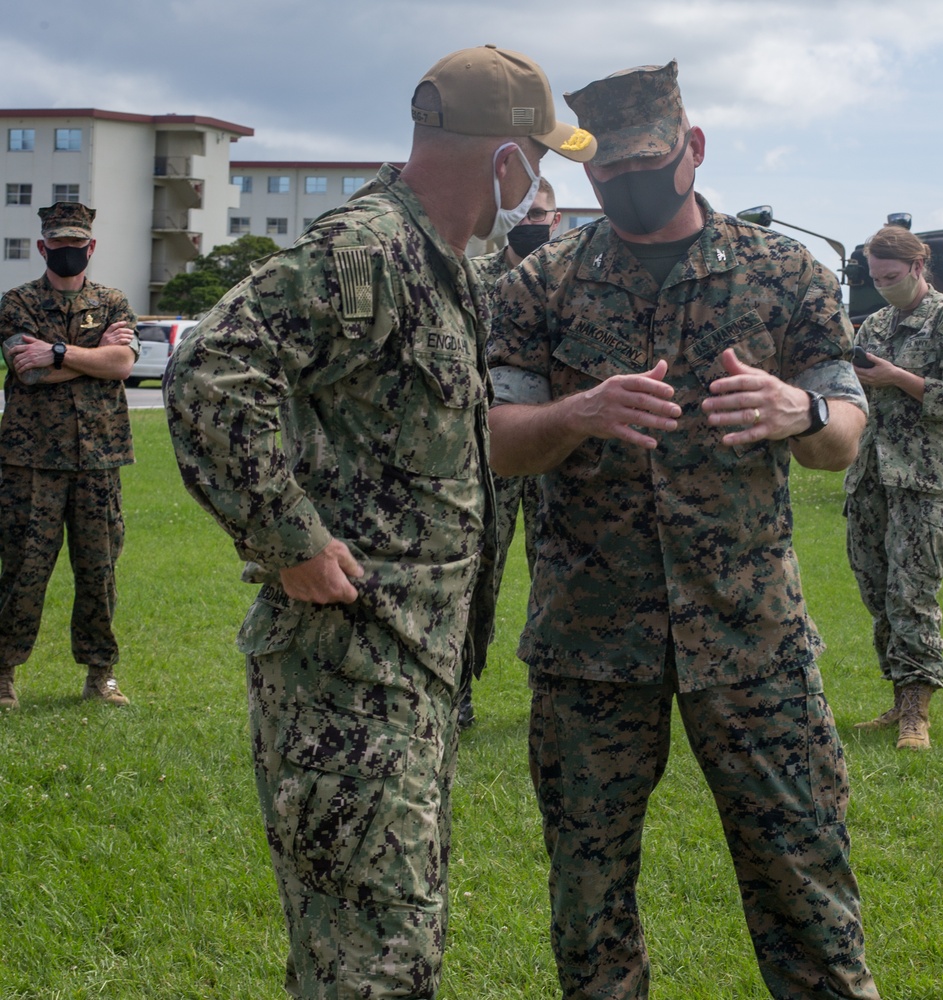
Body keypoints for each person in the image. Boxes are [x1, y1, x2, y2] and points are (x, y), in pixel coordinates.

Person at [162, 44, 594, 1000]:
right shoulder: (370, 248)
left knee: (386, 946)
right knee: (371, 965)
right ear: (504, 159)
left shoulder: (445, 267)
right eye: (542, 158)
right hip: (348, 677)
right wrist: (290, 540)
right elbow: (210, 369)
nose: (543, 182)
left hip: (407, 670)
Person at [488, 61, 880, 999]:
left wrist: (803, 412)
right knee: (590, 901)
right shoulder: (540, 284)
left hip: (751, 637)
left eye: (645, 161)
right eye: (602, 170)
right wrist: (577, 413)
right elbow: (500, 443)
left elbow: (846, 433)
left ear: (692, 150)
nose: (622, 180)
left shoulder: (787, 274)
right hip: (592, 645)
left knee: (805, 883)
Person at [845, 225, 943, 750]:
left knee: (914, 593)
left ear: (917, 267)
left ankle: (916, 717)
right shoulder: (874, 325)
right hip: (870, 477)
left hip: (924, 479)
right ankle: (899, 698)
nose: (884, 286)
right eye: (876, 278)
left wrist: (898, 378)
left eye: (892, 277)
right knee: (878, 591)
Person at [0, 202, 139, 710]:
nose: (67, 254)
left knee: (99, 570)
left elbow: (123, 364)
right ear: (42, 247)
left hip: (98, 458)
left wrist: (58, 353)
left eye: (75, 247)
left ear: (91, 248)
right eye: (58, 246)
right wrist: (94, 357)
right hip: (30, 460)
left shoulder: (113, 302)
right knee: (22, 569)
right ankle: (3, 672)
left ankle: (100, 675)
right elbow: (26, 371)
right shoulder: (16, 303)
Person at [460, 177, 562, 728]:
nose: (531, 221)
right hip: (484, 452)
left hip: (555, 451)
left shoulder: (575, 281)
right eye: (521, 212)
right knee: (476, 574)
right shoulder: (472, 279)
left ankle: (554, 695)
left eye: (540, 212)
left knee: (559, 576)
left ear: (557, 217)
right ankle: (457, 695)